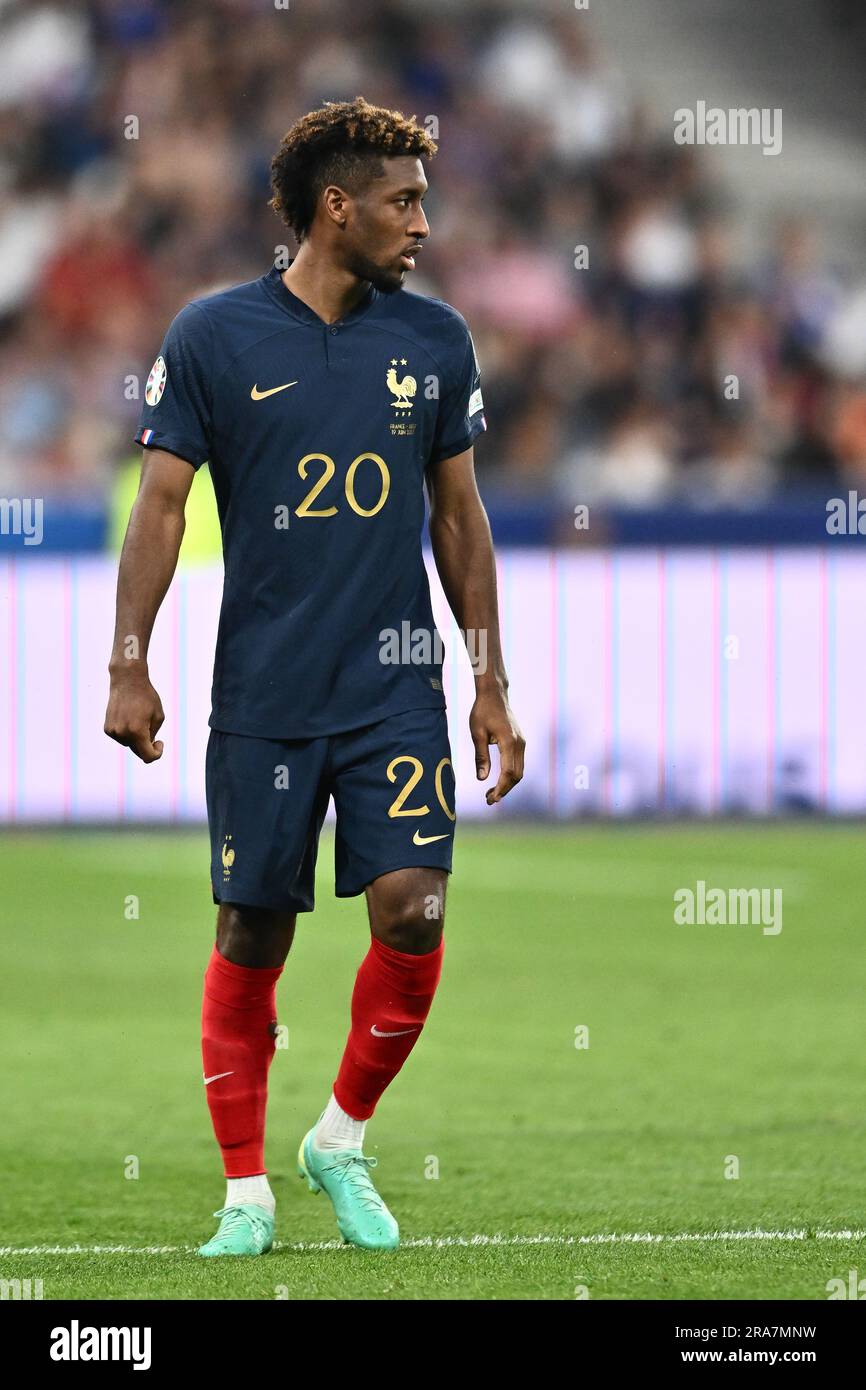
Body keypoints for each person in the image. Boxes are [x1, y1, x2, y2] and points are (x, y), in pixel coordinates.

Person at [104, 96, 525, 1256]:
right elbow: (157, 505)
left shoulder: (432, 341)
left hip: (395, 686)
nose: (422, 224)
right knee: (252, 930)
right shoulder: (210, 337)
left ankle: (338, 1135)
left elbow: (459, 516)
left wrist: (487, 683)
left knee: (414, 902)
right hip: (265, 695)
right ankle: (245, 1189)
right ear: (334, 209)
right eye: (403, 202)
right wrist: (128, 663)